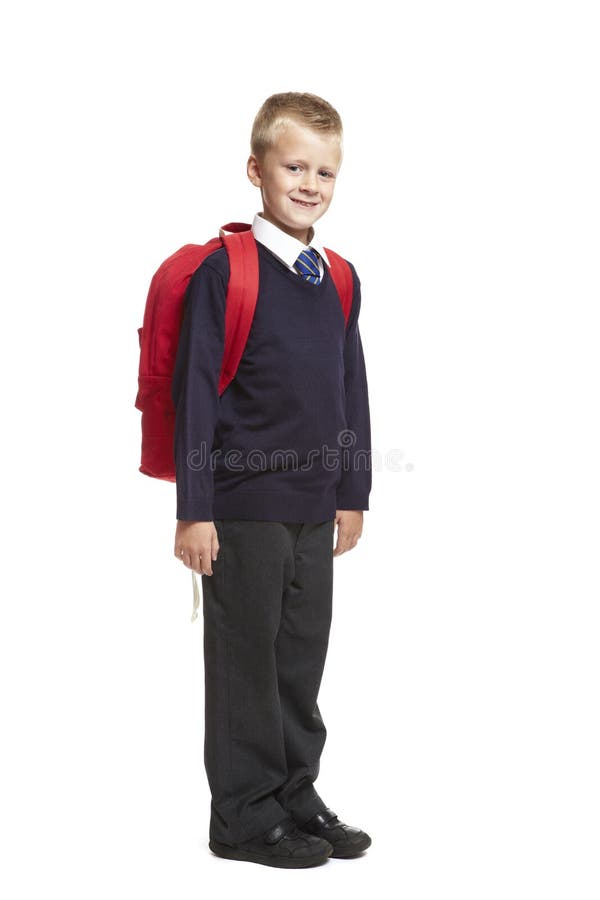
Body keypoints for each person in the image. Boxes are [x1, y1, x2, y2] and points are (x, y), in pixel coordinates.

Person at [171, 91, 372, 868]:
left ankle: (295, 793)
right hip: (242, 505)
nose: (311, 182)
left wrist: (352, 491)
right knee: (244, 659)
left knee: (297, 656)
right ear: (256, 170)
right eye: (295, 165)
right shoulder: (227, 271)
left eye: (326, 170)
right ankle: (244, 816)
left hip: (313, 505)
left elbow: (349, 386)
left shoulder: (339, 277)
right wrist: (195, 510)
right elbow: (196, 395)